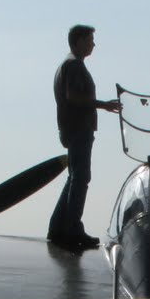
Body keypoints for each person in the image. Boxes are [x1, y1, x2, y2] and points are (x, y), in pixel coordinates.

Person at [48, 24, 121, 251]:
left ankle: (58, 227)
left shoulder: (67, 65)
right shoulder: (74, 66)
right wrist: (103, 105)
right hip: (78, 129)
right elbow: (73, 97)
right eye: (90, 40)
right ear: (79, 41)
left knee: (74, 177)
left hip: (72, 129)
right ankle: (72, 229)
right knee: (81, 178)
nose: (93, 45)